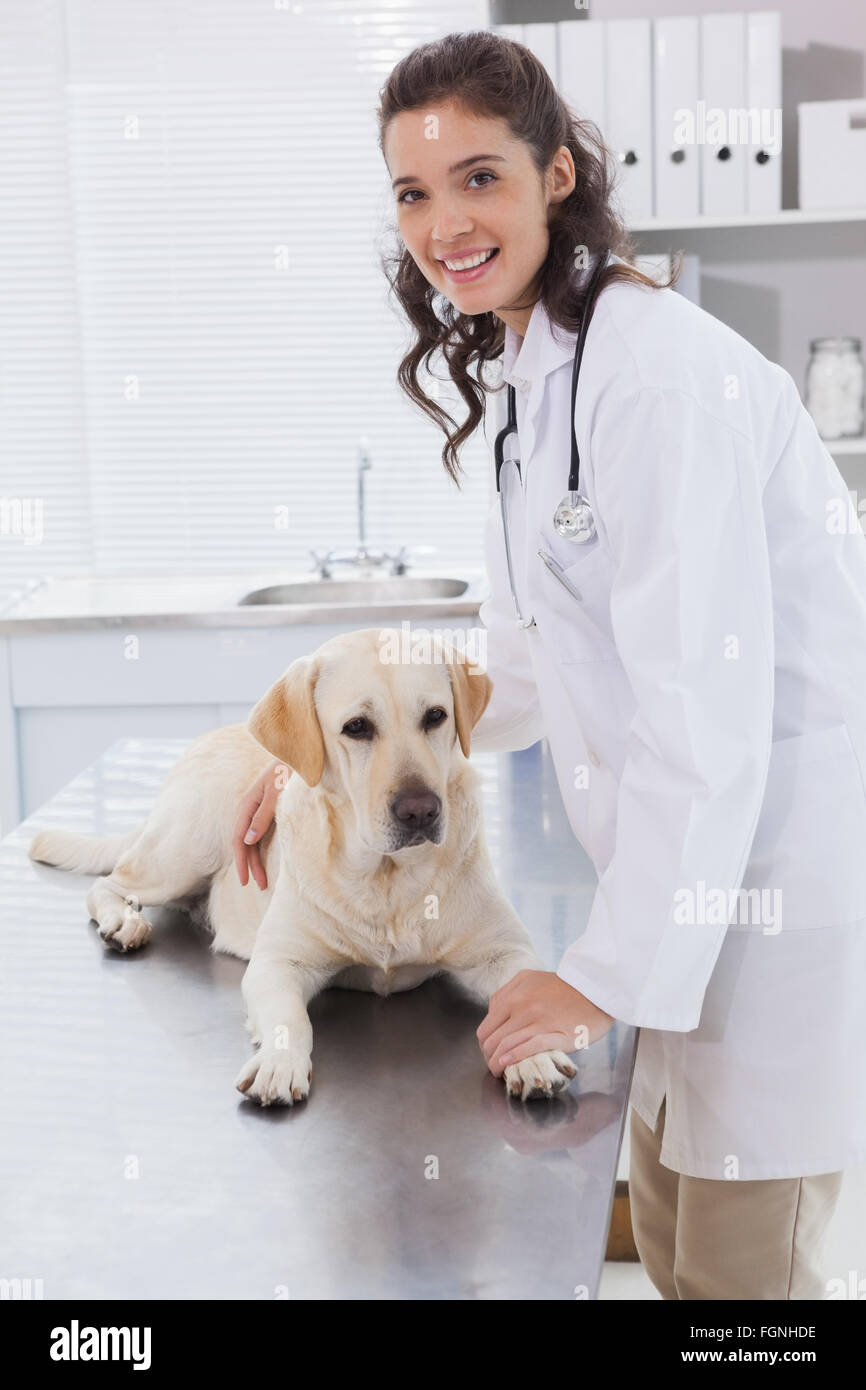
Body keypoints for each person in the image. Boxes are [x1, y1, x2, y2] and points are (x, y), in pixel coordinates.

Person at [234, 31, 866, 1300]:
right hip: (677, 904)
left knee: (746, 1296)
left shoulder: (654, 383)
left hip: (764, 899)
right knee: (681, 1261)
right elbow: (514, 677)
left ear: (556, 175)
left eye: (478, 178)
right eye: (413, 192)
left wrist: (591, 976)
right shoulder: (541, 383)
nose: (442, 223)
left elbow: (707, 722)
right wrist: (306, 755)